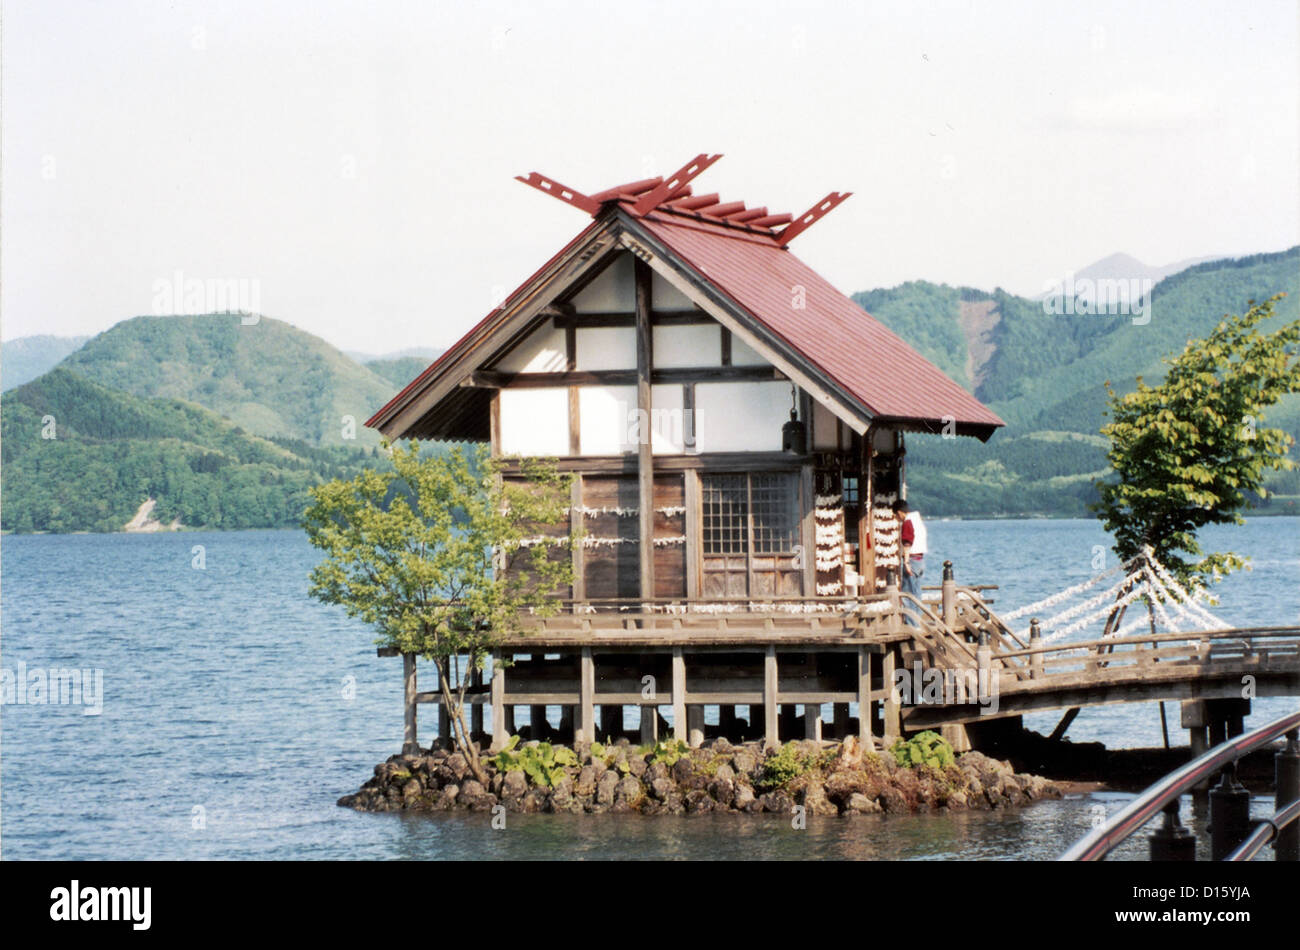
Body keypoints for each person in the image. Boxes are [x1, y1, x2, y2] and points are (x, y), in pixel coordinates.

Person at [893, 499, 927, 605]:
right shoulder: (917, 520)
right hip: (920, 560)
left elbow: (907, 543)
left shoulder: (907, 522)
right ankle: (916, 620)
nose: (897, 519)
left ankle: (911, 621)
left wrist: (906, 562)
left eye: (896, 516)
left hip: (912, 560)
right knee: (916, 594)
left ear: (899, 513)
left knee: (908, 595)